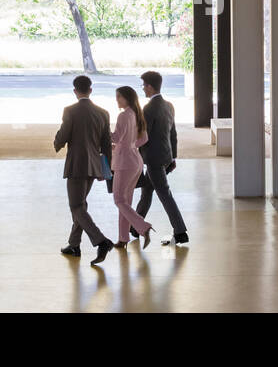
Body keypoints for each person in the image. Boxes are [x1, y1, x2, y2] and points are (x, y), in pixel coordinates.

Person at [53, 74, 115, 265]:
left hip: (76, 164)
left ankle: (101, 241)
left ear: (75, 91)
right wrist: (107, 169)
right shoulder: (103, 113)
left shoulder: (70, 111)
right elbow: (106, 144)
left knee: (76, 206)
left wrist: (57, 143)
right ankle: (74, 244)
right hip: (94, 165)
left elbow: (64, 134)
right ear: (90, 90)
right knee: (81, 204)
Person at [133, 70, 189, 245]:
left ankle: (180, 231)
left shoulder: (148, 109)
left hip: (153, 159)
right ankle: (136, 226)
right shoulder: (168, 105)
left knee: (164, 194)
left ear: (149, 86)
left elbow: (143, 136)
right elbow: (173, 133)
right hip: (164, 156)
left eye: (144, 85)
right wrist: (172, 157)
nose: (143, 89)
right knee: (147, 192)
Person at [110, 86, 154, 248]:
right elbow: (144, 139)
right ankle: (123, 238)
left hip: (124, 163)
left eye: (119, 97)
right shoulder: (136, 114)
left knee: (119, 200)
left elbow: (115, 137)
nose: (117, 100)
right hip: (136, 161)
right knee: (125, 201)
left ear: (127, 98)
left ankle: (143, 227)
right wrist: (128, 145)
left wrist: (102, 133)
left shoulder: (123, 116)